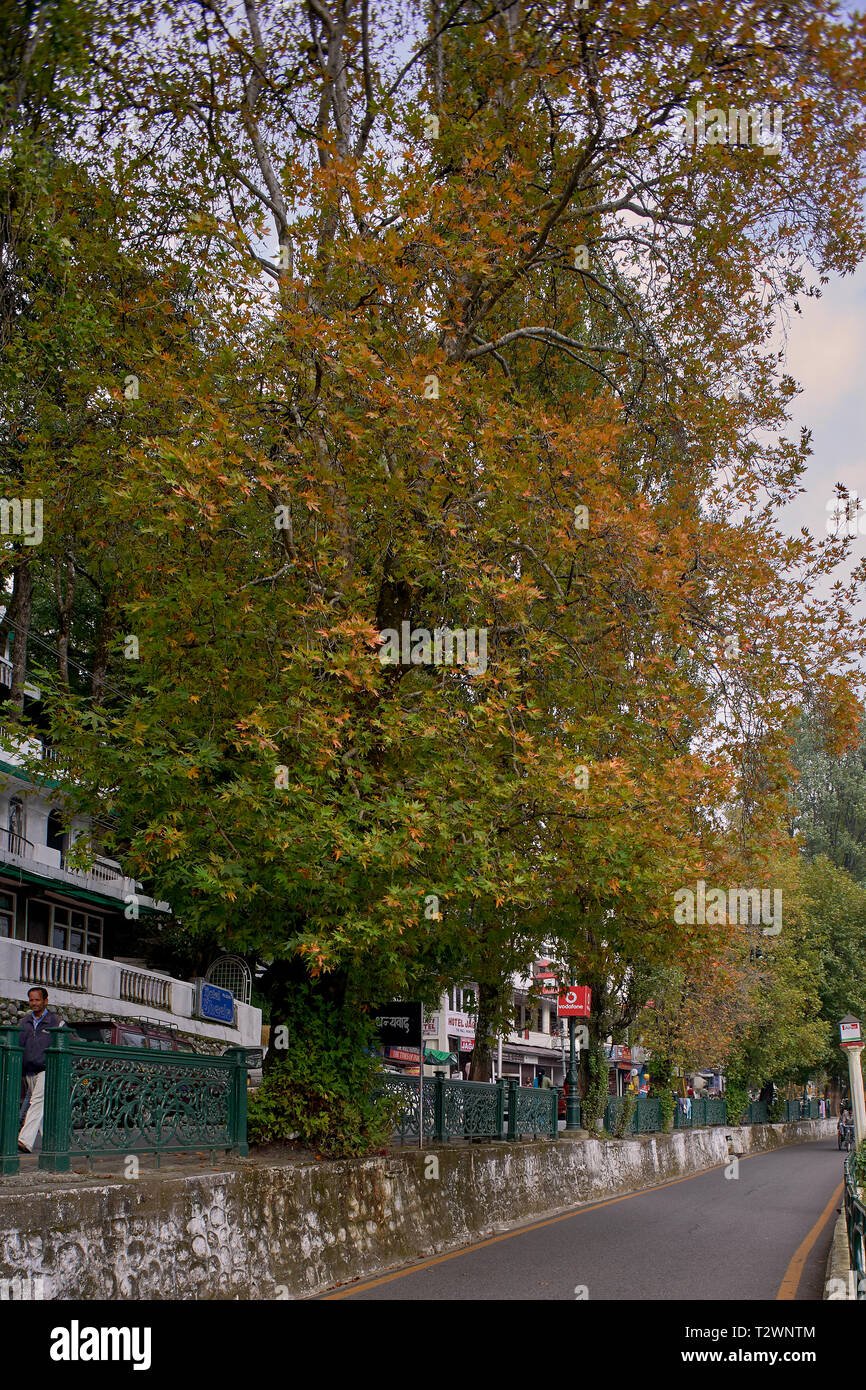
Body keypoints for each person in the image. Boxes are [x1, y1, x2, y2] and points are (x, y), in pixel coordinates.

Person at [17, 988, 64, 1153]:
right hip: (29, 1070)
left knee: (36, 1103)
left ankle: (25, 1140)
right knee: (43, 1106)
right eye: (31, 1000)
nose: (34, 1003)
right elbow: (19, 1045)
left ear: (45, 1001)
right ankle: (54, 1144)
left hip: (47, 1069)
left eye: (37, 1000)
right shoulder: (24, 1022)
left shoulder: (56, 1022)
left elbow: (69, 1042)